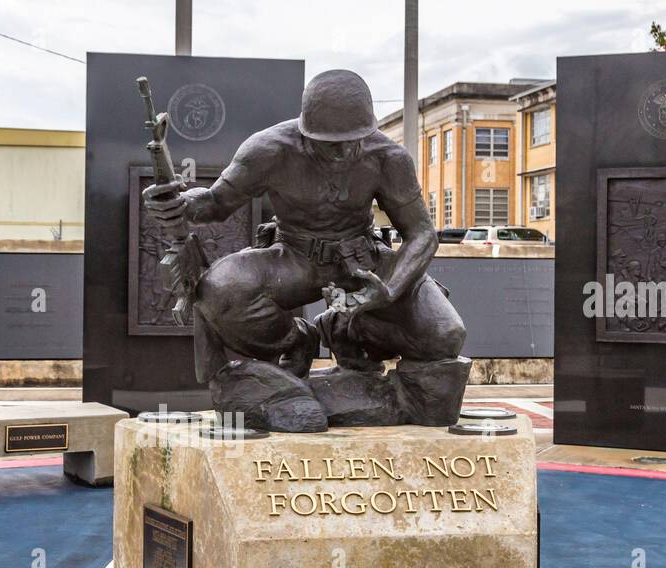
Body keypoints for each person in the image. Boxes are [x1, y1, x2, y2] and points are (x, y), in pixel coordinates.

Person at [144, 69, 465, 428]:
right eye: (329, 143)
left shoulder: (387, 157)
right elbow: (215, 203)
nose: (342, 150)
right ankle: (298, 340)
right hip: (294, 259)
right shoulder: (268, 150)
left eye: (352, 139)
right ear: (306, 131)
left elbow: (422, 234)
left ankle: (347, 330)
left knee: (445, 334)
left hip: (361, 261)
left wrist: (387, 289)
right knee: (220, 289)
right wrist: (180, 203)